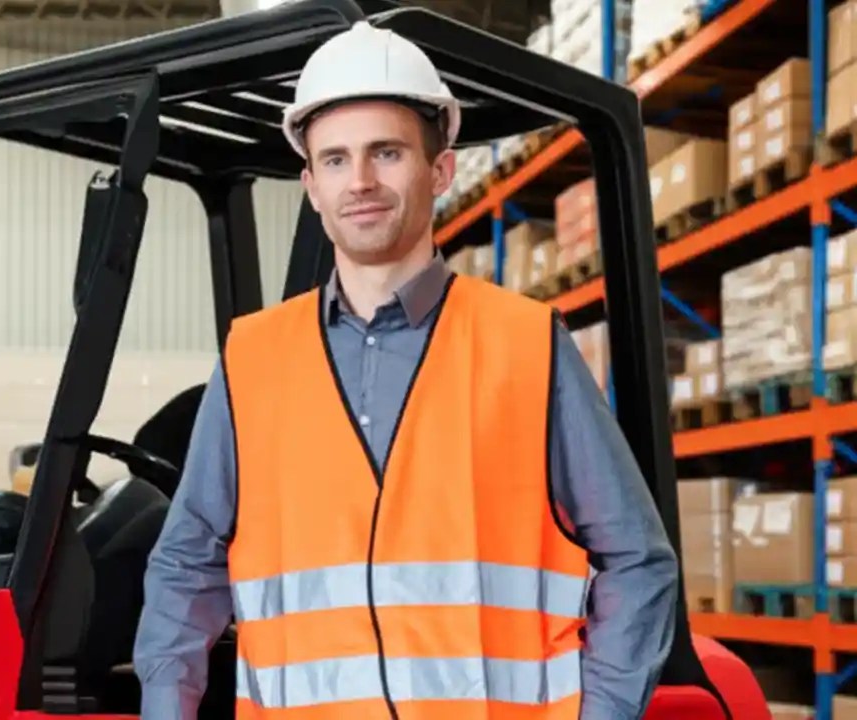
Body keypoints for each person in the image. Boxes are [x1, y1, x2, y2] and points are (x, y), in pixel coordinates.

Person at [133, 19, 679, 720]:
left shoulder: (526, 344)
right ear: (310, 185)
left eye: (386, 153)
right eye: (335, 160)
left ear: (440, 169)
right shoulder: (251, 360)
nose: (359, 181)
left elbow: (638, 559)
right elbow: (185, 568)